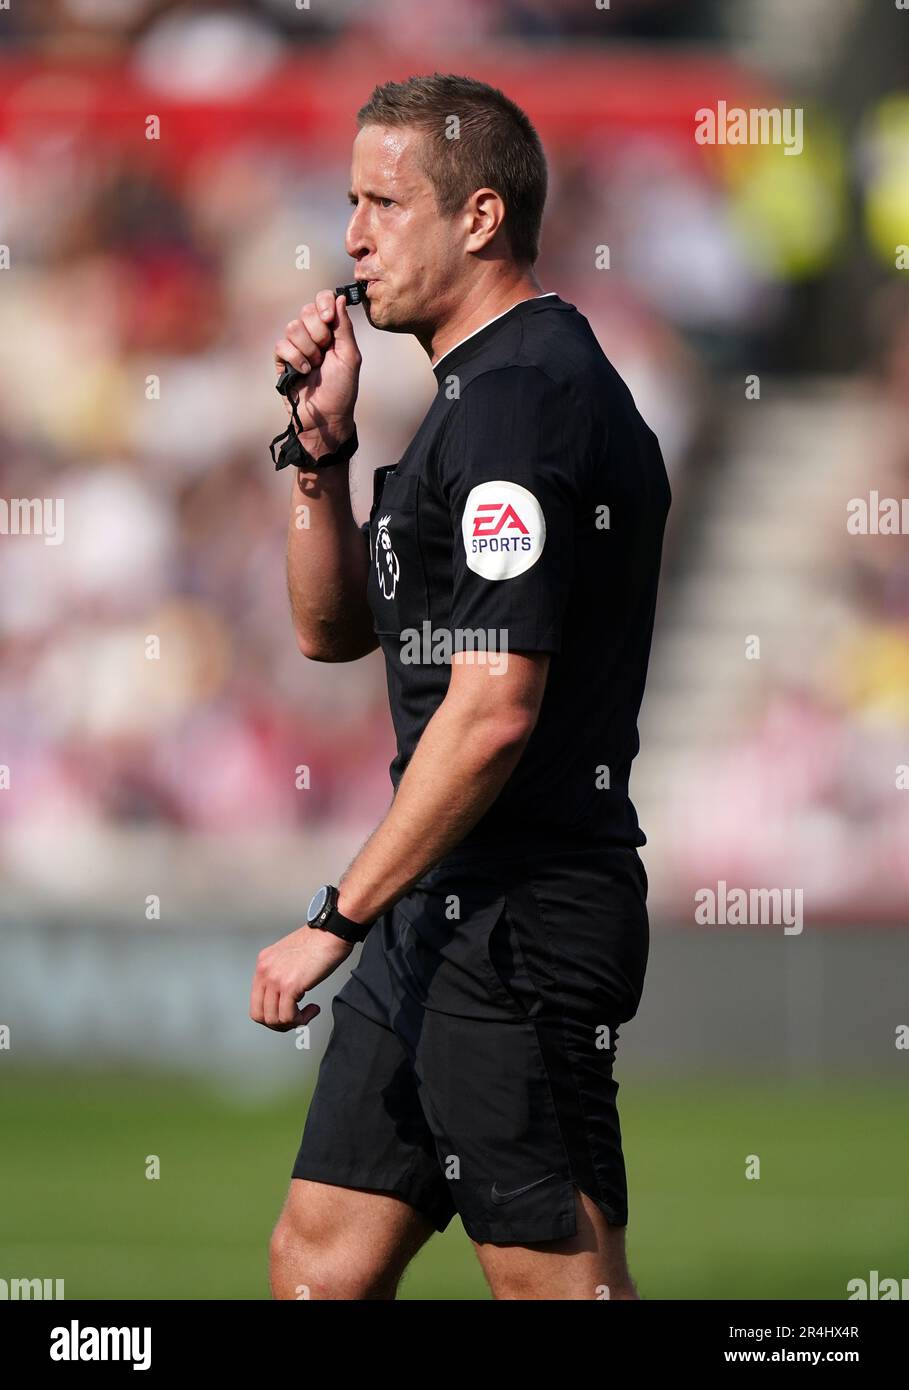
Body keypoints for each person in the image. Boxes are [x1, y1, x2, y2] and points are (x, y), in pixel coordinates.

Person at [250, 73, 671, 1301]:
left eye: (384, 203)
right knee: (317, 1263)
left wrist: (335, 915)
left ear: (479, 217)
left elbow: (493, 708)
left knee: (555, 1285)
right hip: (439, 905)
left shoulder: (521, 398)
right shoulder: (458, 405)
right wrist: (319, 458)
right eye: (349, 201)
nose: (352, 236)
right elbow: (333, 634)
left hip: (522, 915)